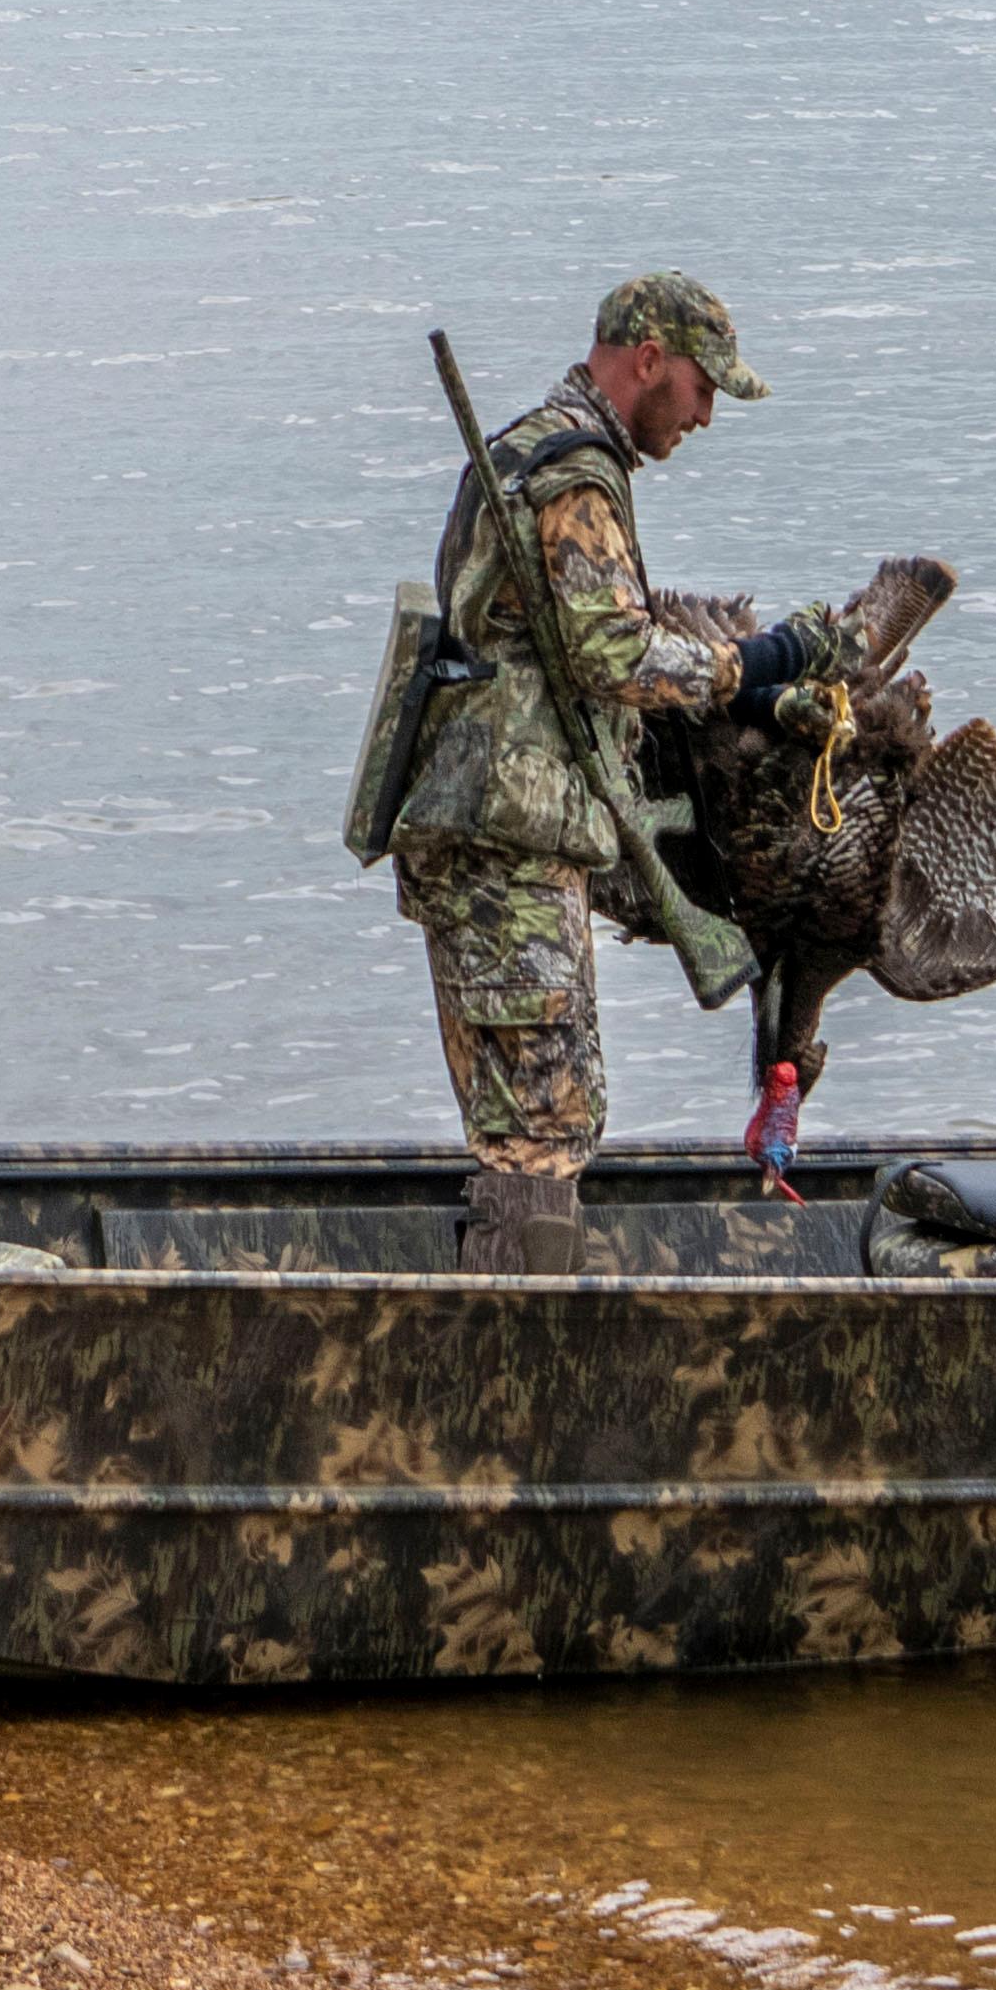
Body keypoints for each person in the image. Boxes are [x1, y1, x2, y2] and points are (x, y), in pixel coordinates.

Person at [393, 274, 840, 1272]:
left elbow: (547, 653)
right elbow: (612, 656)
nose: (705, 413)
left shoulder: (528, 449)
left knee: (524, 1118)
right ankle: (518, 1364)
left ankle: (505, 1332)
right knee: (544, 1124)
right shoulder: (576, 472)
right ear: (647, 360)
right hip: (508, 846)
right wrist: (757, 663)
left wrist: (745, 703)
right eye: (698, 386)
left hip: (479, 832)